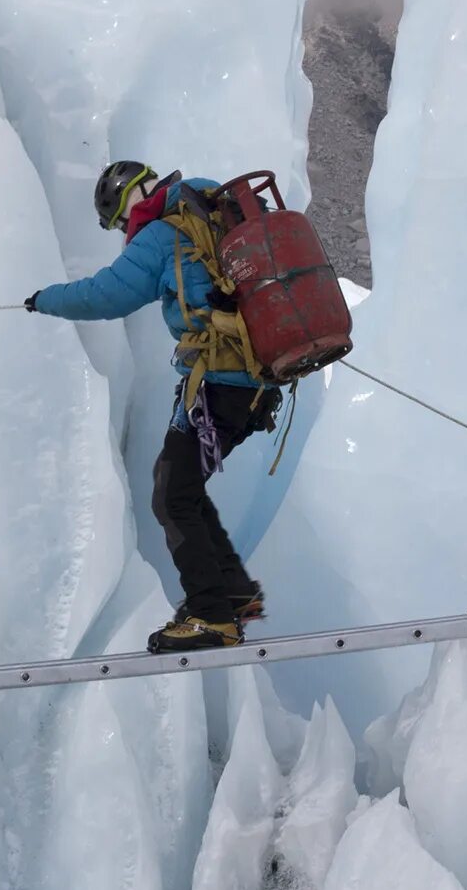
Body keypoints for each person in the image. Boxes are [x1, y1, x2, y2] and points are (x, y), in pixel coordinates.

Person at [26, 160, 280, 653]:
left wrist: (45, 300)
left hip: (220, 381)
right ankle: (231, 594)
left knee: (171, 494)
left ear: (132, 199)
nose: (126, 230)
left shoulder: (163, 232)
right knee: (182, 486)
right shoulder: (212, 208)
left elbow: (107, 294)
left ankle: (212, 615)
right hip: (257, 382)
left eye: (122, 219)